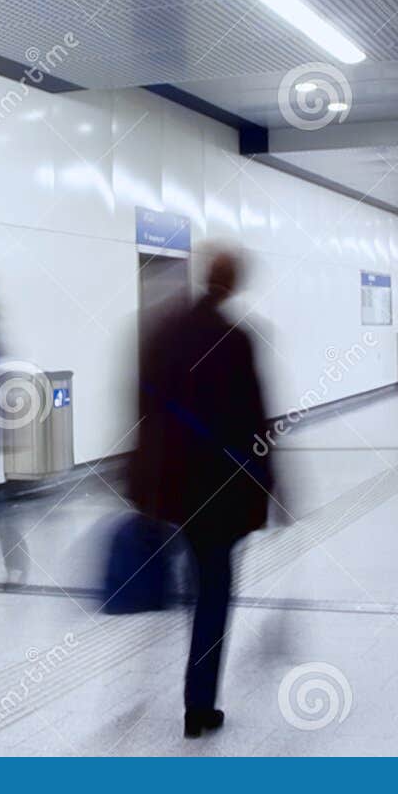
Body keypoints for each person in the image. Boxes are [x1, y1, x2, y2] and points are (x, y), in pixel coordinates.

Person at [130, 246, 273, 738]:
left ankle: (170, 690)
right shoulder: (236, 340)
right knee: (214, 593)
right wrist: (269, 486)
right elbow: (256, 423)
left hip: (173, 489)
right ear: (233, 284)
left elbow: (143, 409)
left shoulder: (164, 334)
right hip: (222, 494)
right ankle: (199, 705)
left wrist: (140, 478)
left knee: (194, 578)